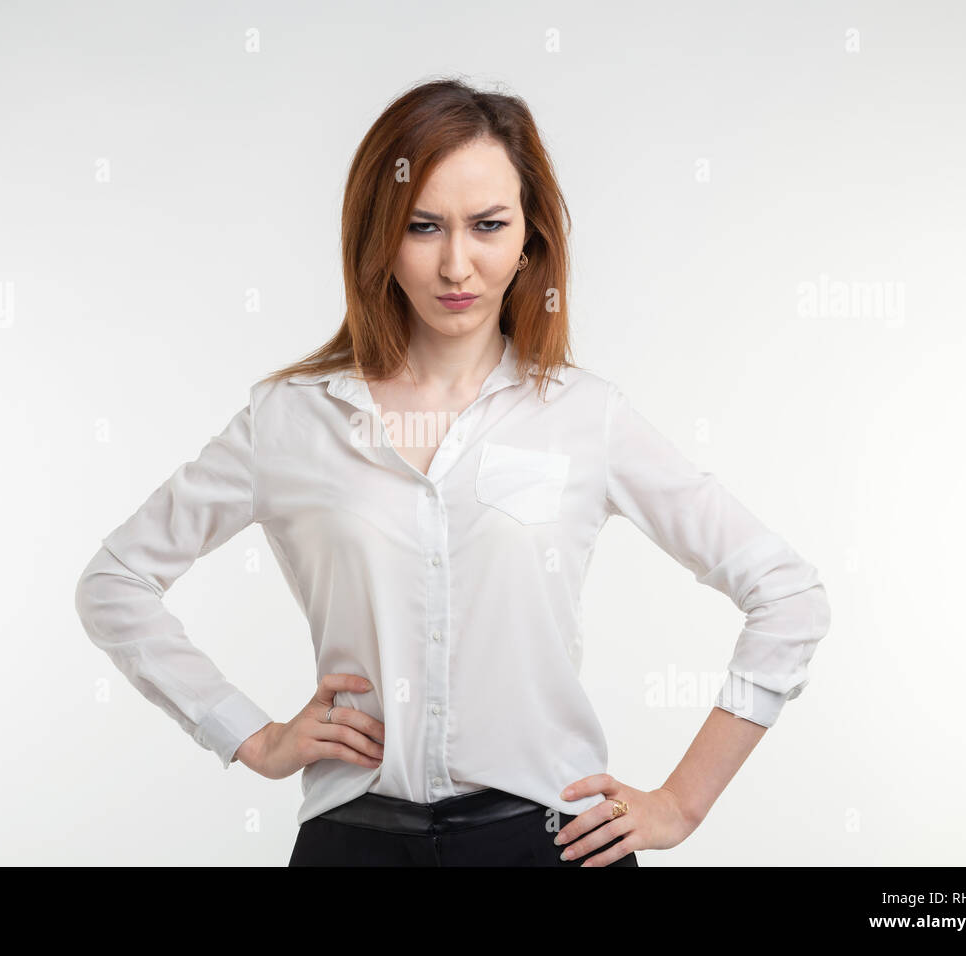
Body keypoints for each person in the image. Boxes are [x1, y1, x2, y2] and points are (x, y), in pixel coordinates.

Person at [74, 77, 831, 867]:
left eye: (488, 225)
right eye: (423, 226)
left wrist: (682, 803)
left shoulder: (586, 417)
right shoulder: (289, 421)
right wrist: (249, 735)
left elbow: (788, 596)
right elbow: (115, 580)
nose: (456, 264)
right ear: (378, 236)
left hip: (551, 845)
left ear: (529, 238)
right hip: (353, 843)